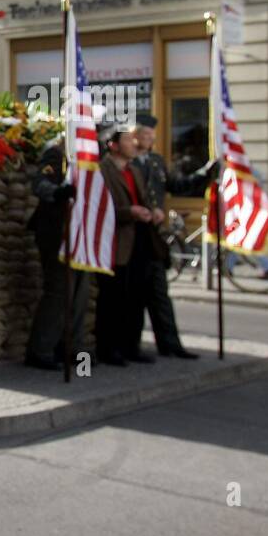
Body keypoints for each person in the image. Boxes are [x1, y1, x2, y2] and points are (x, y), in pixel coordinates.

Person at [133, 113, 209, 358]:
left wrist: (204, 174)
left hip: (153, 234)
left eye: (152, 136)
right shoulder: (127, 161)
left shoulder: (155, 161)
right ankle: (131, 346)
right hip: (133, 234)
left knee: (159, 292)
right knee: (133, 295)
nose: (150, 140)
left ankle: (170, 344)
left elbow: (175, 185)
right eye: (145, 135)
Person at [97, 126, 164, 366]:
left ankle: (131, 345)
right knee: (113, 297)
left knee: (137, 296)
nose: (133, 143)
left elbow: (144, 198)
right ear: (113, 145)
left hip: (140, 239)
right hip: (117, 241)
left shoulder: (134, 170)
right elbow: (99, 208)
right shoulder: (103, 171)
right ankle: (109, 348)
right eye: (126, 140)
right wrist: (129, 212)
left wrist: (153, 211)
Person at [24, 138, 89, 370]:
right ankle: (40, 350)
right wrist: (59, 192)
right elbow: (40, 183)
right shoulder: (57, 155)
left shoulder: (89, 160)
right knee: (58, 291)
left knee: (78, 293)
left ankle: (68, 347)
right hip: (55, 233)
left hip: (80, 234)